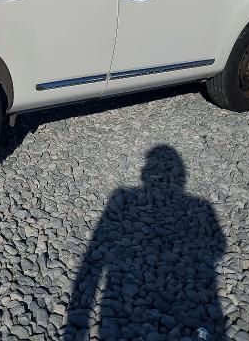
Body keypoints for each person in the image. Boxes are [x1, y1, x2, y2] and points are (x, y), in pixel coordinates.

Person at [65, 145, 226, 340]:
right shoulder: (201, 205)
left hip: (117, 300)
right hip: (190, 295)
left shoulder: (123, 196)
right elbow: (218, 248)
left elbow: (94, 254)